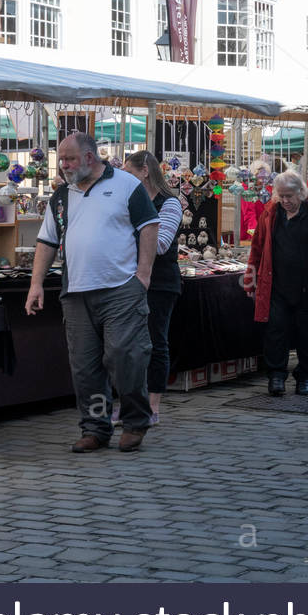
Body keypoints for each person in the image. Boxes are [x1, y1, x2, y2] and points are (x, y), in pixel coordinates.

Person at [25, 133, 159, 453]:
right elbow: (47, 240)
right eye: (62, 159)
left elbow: (149, 227)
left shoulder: (126, 185)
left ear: (89, 157)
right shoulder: (61, 195)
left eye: (69, 159)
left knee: (124, 355)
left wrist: (143, 275)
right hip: (76, 291)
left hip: (121, 288)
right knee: (85, 367)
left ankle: (135, 421)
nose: (64, 165)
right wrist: (35, 284)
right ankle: (96, 428)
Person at [245, 171, 308, 396]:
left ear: (301, 193)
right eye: (281, 196)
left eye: (289, 196)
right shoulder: (270, 215)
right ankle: (276, 376)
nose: (285, 201)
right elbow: (257, 250)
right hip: (276, 287)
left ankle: (305, 377)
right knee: (275, 332)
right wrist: (250, 281)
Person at [122, 151, 182, 424]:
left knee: (155, 342)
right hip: (129, 281)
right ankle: (132, 403)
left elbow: (159, 244)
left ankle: (153, 407)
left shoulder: (169, 203)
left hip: (160, 283)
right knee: (128, 345)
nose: (125, 179)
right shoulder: (130, 202)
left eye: (130, 173)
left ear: (145, 171)